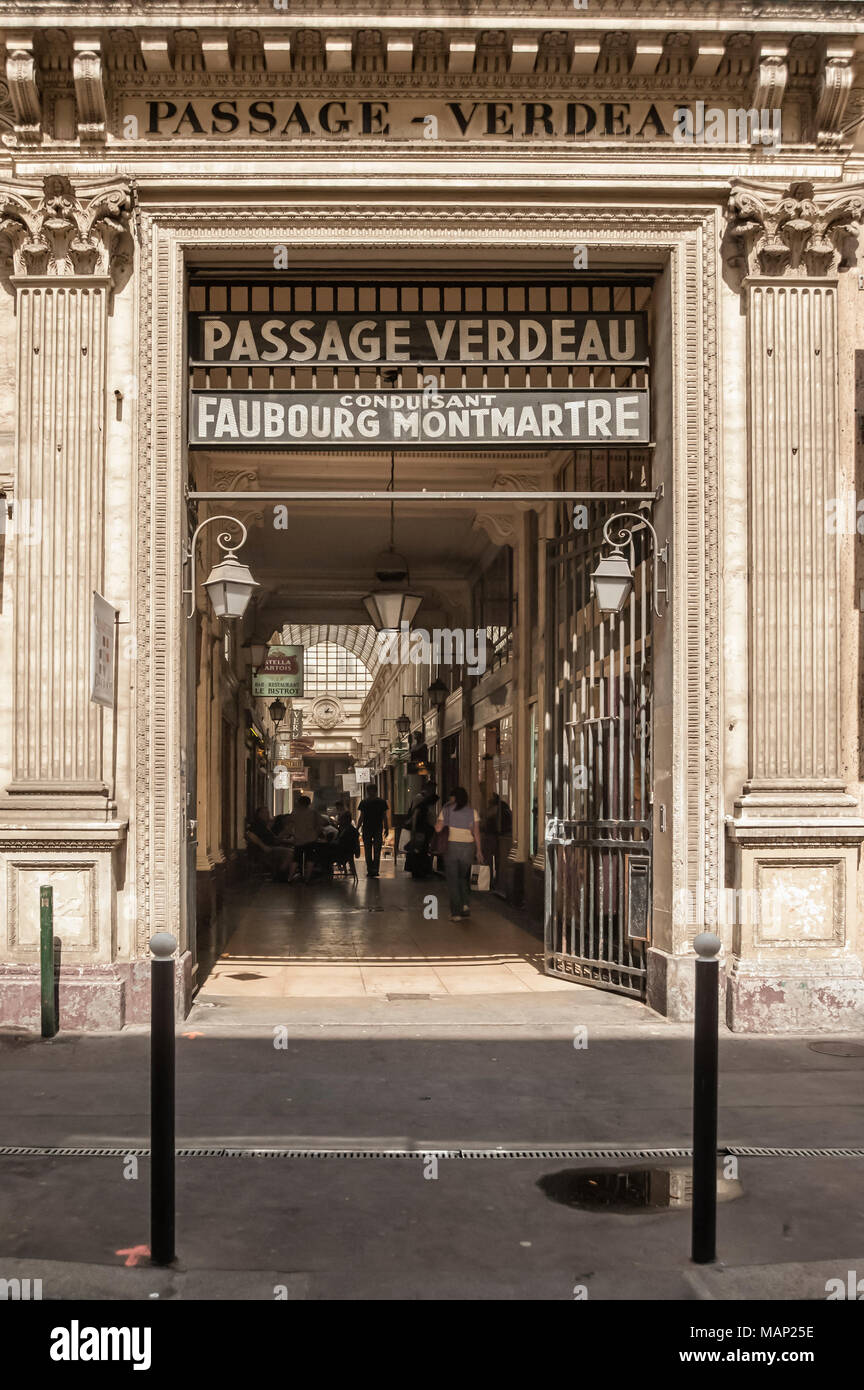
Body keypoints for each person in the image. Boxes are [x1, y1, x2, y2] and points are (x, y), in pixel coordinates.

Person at [435, 787, 484, 921]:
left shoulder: (446, 810)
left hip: (452, 847)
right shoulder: (472, 812)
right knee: (463, 877)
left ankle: (456, 912)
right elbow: (477, 833)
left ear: (454, 798)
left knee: (453, 880)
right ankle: (465, 905)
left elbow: (438, 828)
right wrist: (479, 851)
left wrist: (444, 818)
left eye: (451, 796)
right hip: (468, 848)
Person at [246, 806, 295, 880]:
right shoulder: (257, 824)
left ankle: (284, 875)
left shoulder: (265, 825)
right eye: (266, 813)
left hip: (272, 847)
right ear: (260, 814)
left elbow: (274, 839)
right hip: (264, 850)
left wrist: (284, 833)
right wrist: (263, 846)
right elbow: (249, 834)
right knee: (290, 853)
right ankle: (279, 876)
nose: (268, 815)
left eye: (268, 813)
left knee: (292, 851)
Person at [405, 779, 438, 879]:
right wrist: (414, 829)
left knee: (423, 848)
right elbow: (415, 813)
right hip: (420, 828)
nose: (433, 790)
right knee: (419, 848)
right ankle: (418, 870)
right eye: (432, 788)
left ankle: (422, 869)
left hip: (428, 827)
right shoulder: (420, 798)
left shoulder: (430, 799)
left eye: (434, 788)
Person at [288, 795, 326, 880]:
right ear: (309, 803)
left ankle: (289, 878)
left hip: (298, 839)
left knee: (296, 859)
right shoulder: (313, 812)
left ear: (299, 803)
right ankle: (307, 879)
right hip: (311, 839)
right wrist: (316, 834)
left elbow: (289, 825)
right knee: (310, 858)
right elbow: (321, 824)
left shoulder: (294, 813)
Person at [357, 785, 389, 878]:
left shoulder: (364, 802)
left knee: (369, 850)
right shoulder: (382, 802)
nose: (370, 792)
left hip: (369, 828)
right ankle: (374, 870)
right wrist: (386, 827)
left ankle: (371, 870)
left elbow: (361, 817)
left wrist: (357, 828)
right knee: (376, 850)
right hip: (376, 828)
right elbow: (384, 816)